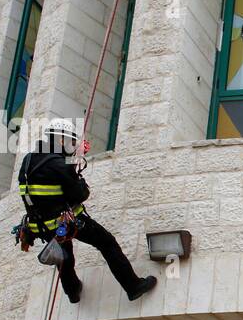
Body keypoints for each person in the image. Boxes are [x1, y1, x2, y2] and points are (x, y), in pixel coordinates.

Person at [16, 119, 156, 304]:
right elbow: (80, 194)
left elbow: (50, 177)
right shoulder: (59, 165)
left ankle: (72, 291)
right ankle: (133, 286)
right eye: (71, 142)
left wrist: (72, 163)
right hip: (64, 222)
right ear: (60, 140)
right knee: (107, 243)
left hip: (40, 225)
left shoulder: (29, 160)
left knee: (64, 255)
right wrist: (77, 174)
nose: (73, 146)